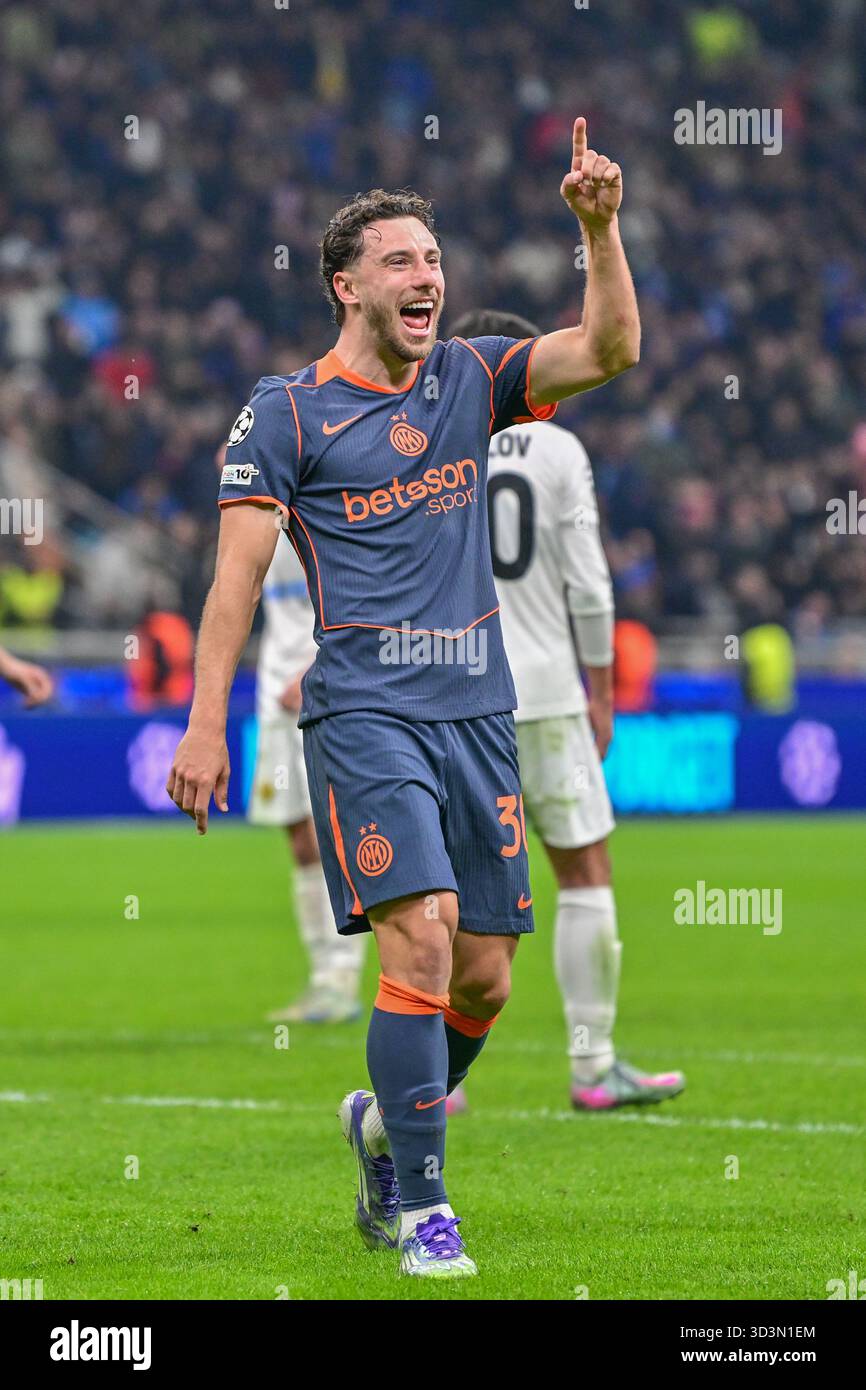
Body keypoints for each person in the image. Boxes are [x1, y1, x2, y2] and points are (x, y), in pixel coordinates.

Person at [167, 118, 640, 1278]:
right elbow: (232, 578)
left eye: (432, 259)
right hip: (363, 711)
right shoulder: (284, 412)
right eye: (399, 261)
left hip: (477, 711)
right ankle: (427, 1212)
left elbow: (611, 349)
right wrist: (202, 715)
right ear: (344, 285)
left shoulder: (473, 379)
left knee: (483, 973)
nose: (425, 276)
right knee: (419, 942)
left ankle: (385, 1130)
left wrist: (599, 229)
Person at [453, 307, 684, 1112]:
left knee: (445, 893)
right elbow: (589, 582)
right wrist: (602, 689)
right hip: (548, 690)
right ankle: (592, 1069)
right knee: (584, 869)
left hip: (458, 695)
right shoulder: (558, 450)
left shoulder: (430, 440)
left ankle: (438, 1084)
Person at [250, 527, 366, 1023]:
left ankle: (344, 978)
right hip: (273, 690)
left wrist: (319, 668)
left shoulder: (325, 501)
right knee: (299, 837)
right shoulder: (250, 508)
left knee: (336, 832)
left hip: (326, 684)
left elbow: (363, 594)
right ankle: (321, 978)